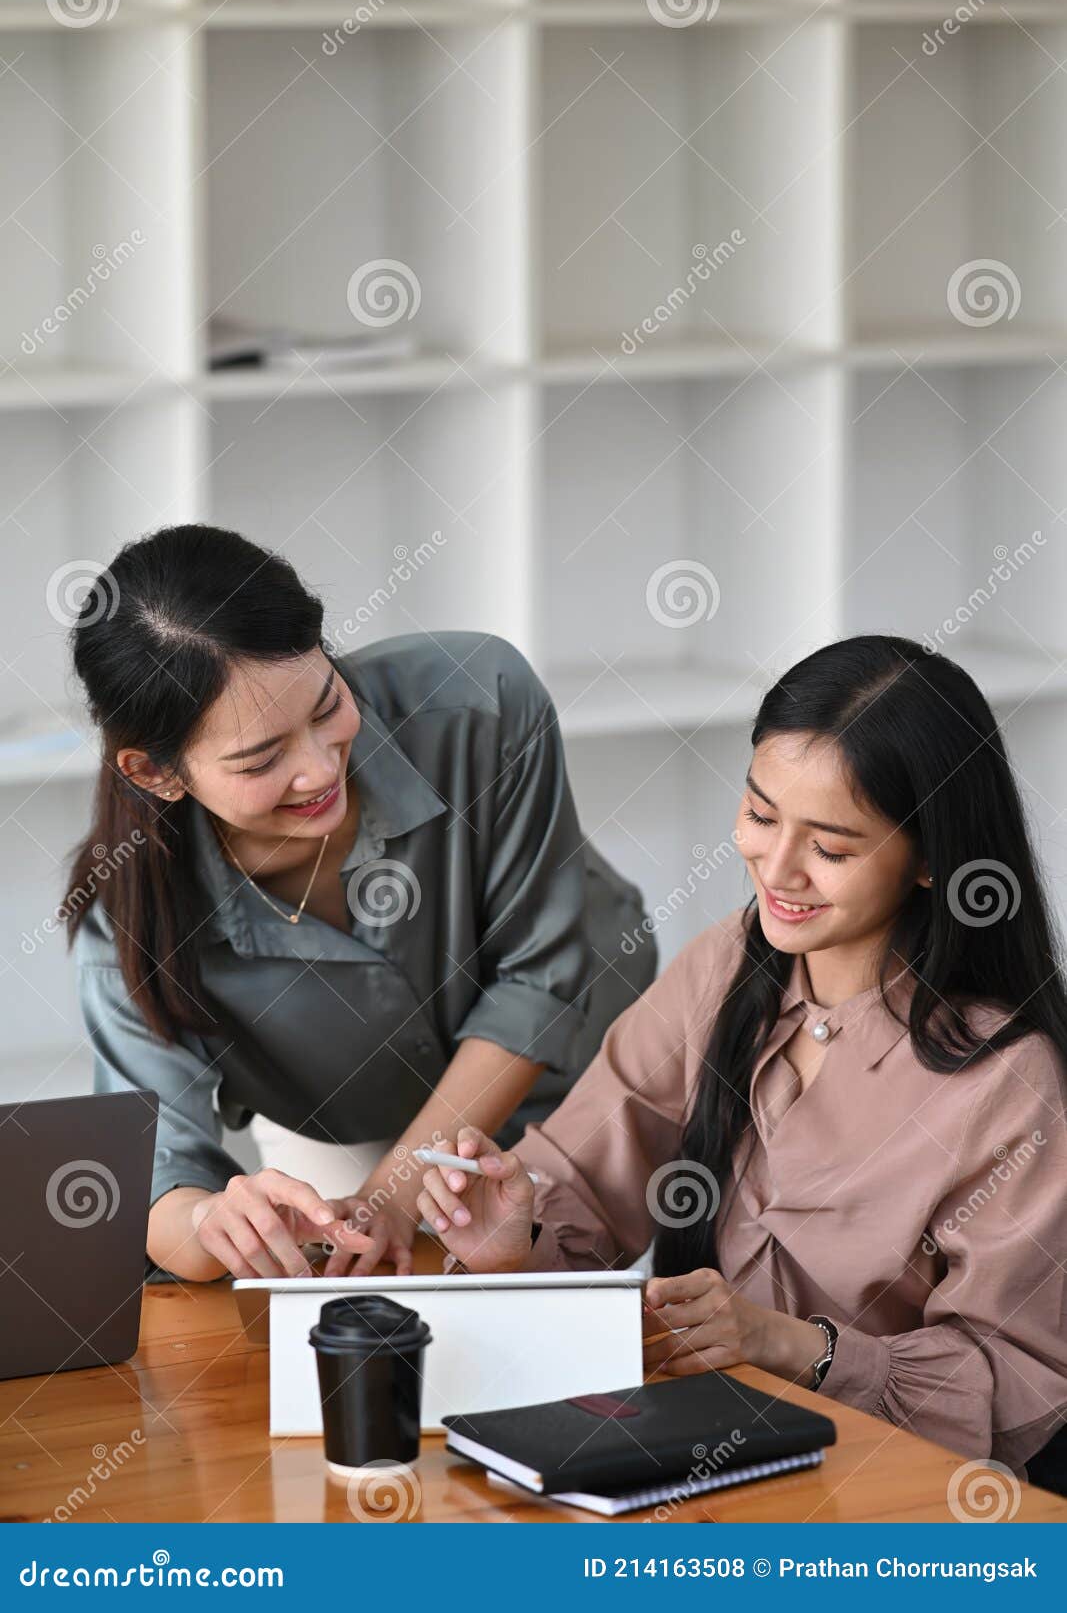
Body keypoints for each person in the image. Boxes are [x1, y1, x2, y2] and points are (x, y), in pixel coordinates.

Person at [418, 635, 1067, 1476]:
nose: (777, 868)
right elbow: (580, 1178)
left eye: (831, 848)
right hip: (697, 1458)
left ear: (930, 861)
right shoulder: (722, 968)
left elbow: (1017, 1384)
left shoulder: (1008, 1081)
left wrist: (799, 1348)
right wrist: (511, 1236)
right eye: (761, 815)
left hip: (891, 1501)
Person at [66, 524, 656, 1284]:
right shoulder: (125, 920)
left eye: (325, 706)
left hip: (594, 1080)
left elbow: (539, 981)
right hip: (360, 1136)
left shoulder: (478, 700)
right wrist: (214, 1221)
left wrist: (393, 1195)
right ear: (155, 773)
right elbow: (160, 1178)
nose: (318, 770)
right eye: (261, 758)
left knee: (603, 1333)